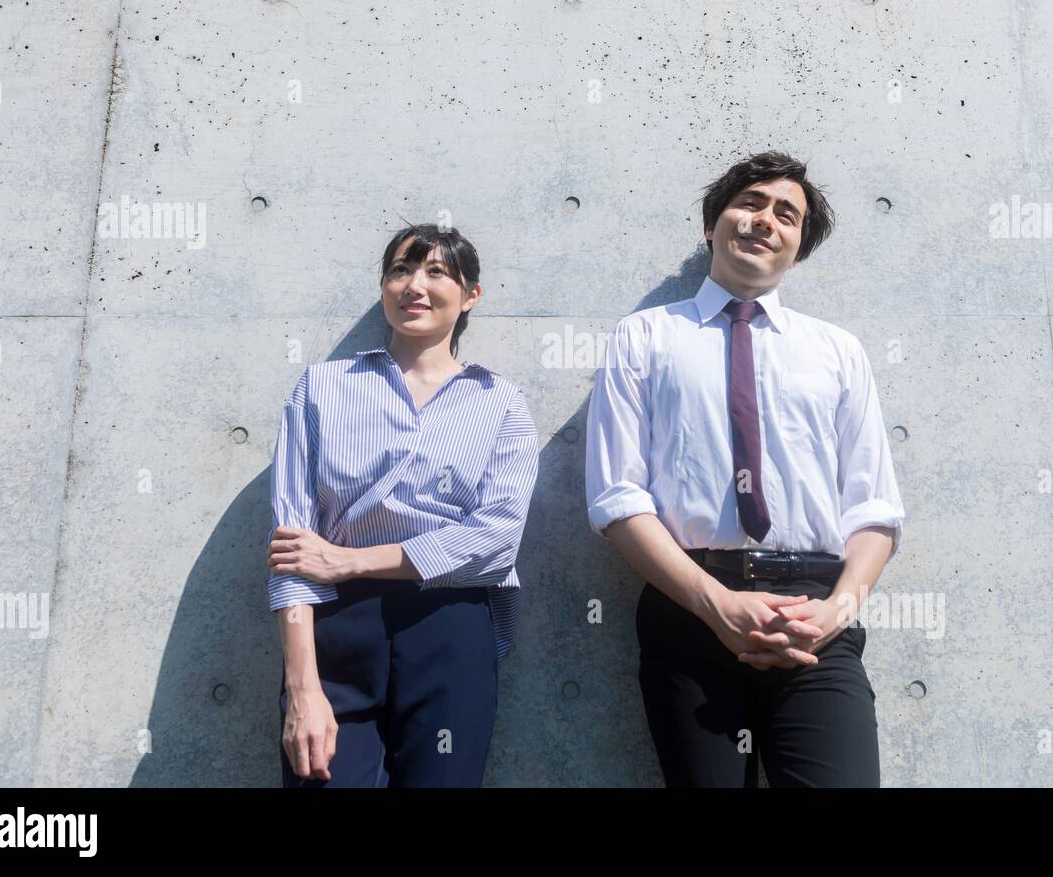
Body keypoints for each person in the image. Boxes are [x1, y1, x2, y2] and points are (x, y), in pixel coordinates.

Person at [585, 150, 905, 787]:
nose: (765, 220)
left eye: (786, 214)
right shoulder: (643, 337)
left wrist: (837, 611)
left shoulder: (837, 351)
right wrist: (718, 607)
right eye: (751, 203)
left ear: (797, 247)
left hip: (813, 616)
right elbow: (618, 499)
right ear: (714, 224)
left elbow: (874, 510)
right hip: (690, 612)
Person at [266, 223, 539, 787]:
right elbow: (293, 556)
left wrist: (348, 560)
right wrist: (302, 688)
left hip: (450, 622)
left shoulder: (501, 403)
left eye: (437, 272)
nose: (414, 285)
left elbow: (494, 542)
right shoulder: (320, 388)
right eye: (400, 270)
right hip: (334, 627)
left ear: (471, 296)